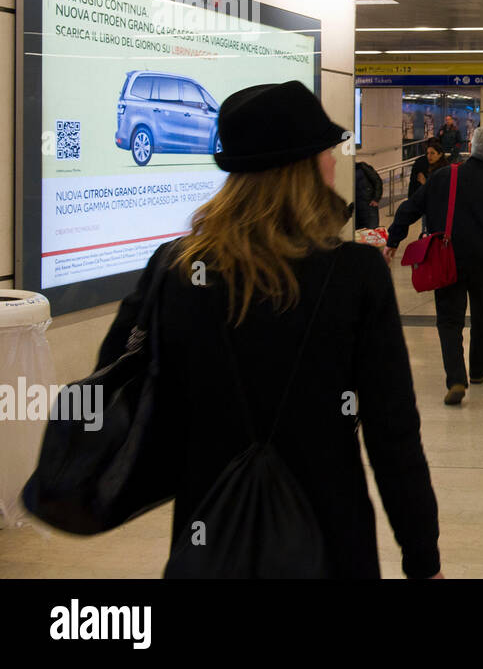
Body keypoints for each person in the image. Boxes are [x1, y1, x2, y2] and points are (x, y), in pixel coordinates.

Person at [96, 81, 442, 578]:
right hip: (330, 541)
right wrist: (423, 561)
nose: (333, 161)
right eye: (326, 150)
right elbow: (394, 438)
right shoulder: (354, 275)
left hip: (210, 536)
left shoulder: (175, 269)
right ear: (306, 164)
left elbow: (126, 390)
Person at [386, 126, 483, 405]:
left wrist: (393, 239)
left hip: (447, 260)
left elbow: (409, 208)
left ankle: (456, 379)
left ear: (469, 146)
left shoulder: (443, 177)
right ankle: (478, 369)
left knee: (449, 320)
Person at [354, 159, 383, 230]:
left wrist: (376, 199)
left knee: (371, 230)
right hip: (356, 209)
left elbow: (377, 181)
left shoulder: (362, 167)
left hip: (369, 205)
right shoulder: (345, 172)